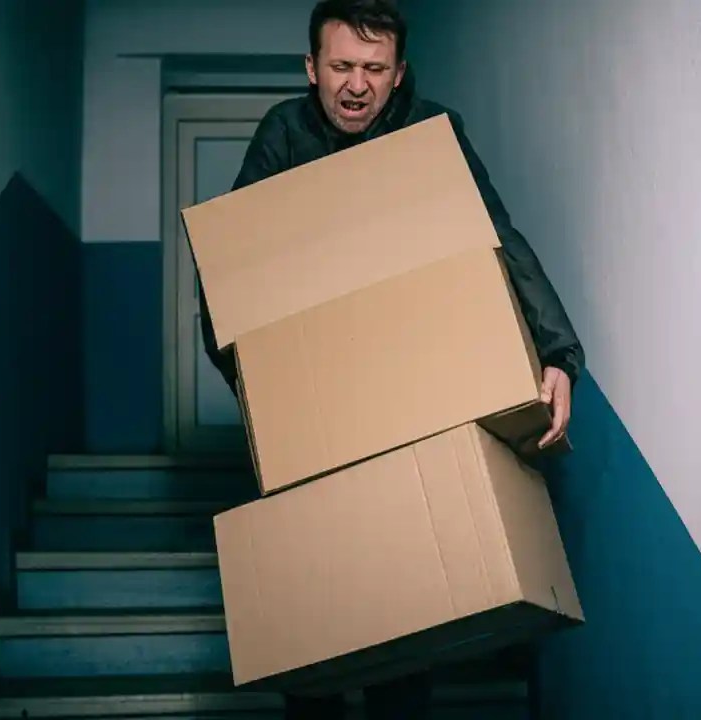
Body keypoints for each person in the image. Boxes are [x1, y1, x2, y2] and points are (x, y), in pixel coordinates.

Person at [196, 1, 584, 717]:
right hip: (314, 413)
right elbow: (229, 271)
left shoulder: (431, 129)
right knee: (313, 627)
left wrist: (558, 351)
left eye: (374, 69)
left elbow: (497, 235)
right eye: (340, 66)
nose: (355, 85)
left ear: (398, 73)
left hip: (409, 406)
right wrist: (269, 394)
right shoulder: (284, 132)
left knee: (405, 621)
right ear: (311, 68)